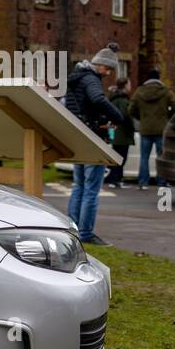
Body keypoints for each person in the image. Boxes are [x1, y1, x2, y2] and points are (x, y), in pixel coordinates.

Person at [63, 45, 124, 246]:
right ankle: (87, 233)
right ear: (101, 65)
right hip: (92, 138)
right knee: (91, 189)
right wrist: (117, 117)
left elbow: (81, 107)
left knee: (78, 186)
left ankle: (72, 229)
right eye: (108, 69)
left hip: (77, 135)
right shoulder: (91, 79)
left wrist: (98, 119)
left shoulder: (77, 77)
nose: (108, 74)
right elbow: (97, 99)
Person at [127, 67, 175, 190]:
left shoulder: (139, 92)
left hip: (145, 128)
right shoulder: (166, 92)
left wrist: (142, 118)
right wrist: (166, 117)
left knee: (144, 157)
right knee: (161, 157)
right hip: (161, 129)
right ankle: (162, 182)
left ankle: (143, 182)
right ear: (158, 78)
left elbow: (130, 110)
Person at [105, 77, 134, 188]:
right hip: (122, 133)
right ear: (125, 86)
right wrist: (132, 127)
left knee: (116, 157)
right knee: (121, 158)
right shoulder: (123, 100)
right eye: (129, 84)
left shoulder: (113, 98)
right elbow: (125, 116)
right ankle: (116, 180)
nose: (130, 87)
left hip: (115, 132)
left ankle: (114, 179)